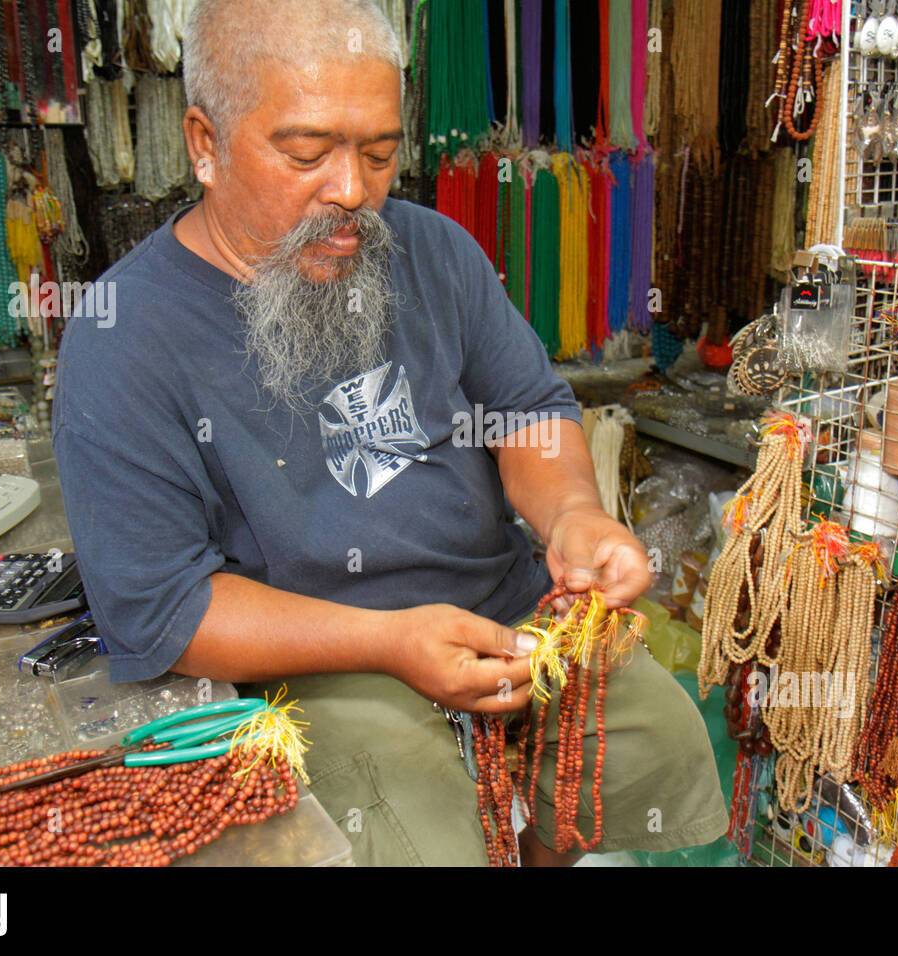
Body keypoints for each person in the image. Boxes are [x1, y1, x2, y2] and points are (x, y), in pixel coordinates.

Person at [53, 0, 725, 865]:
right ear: (204, 144)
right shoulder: (121, 336)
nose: (352, 192)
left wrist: (572, 519)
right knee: (408, 820)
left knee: (654, 735)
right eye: (306, 153)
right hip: (318, 664)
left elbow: (527, 407)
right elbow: (162, 607)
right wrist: (388, 643)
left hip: (503, 614)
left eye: (378, 153)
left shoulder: (432, 251)